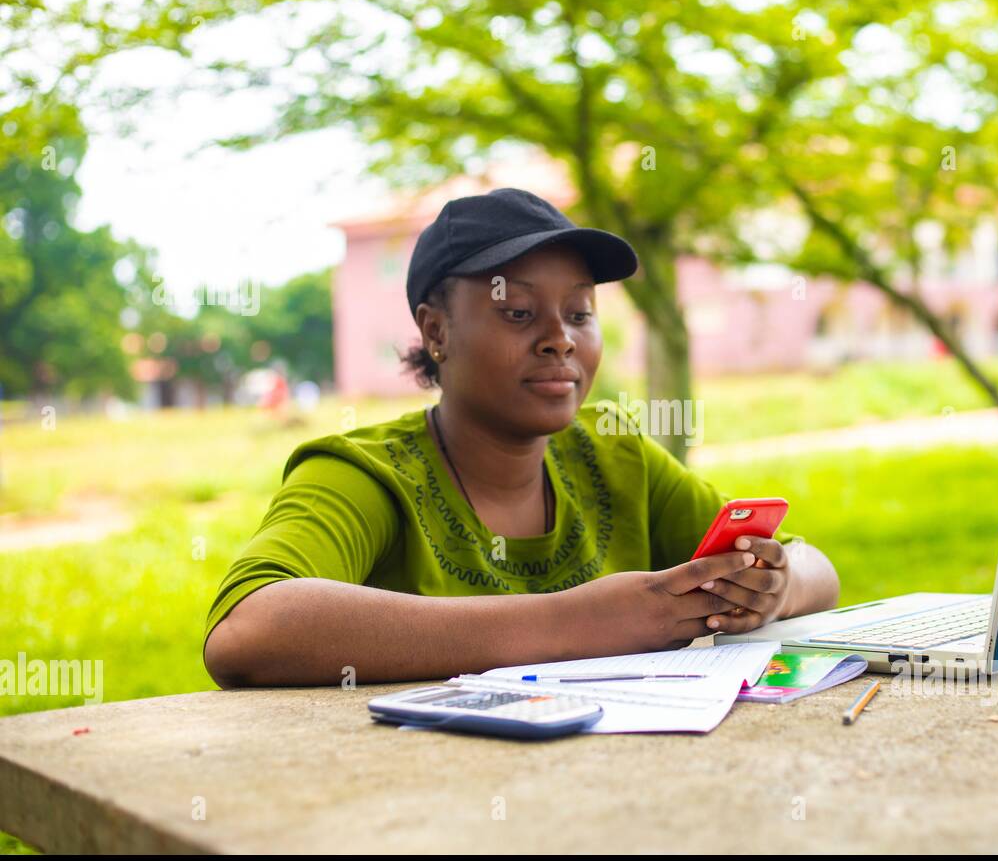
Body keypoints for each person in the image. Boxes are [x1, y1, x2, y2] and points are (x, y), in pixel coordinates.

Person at [202, 188, 840, 688]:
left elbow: (816, 570)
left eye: (580, 312)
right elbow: (248, 630)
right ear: (437, 332)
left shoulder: (620, 458)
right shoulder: (365, 473)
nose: (559, 337)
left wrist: (776, 588)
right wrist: (580, 622)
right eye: (518, 312)